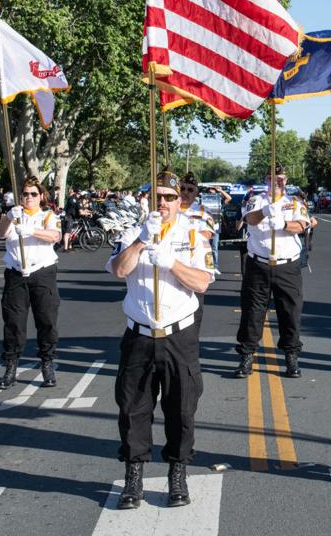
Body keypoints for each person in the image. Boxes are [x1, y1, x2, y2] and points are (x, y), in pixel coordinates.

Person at [107, 170, 214, 509]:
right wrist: (141, 242)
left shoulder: (194, 234)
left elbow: (202, 282)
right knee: (132, 409)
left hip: (177, 335)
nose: (163, 203)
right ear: (146, 199)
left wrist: (170, 262)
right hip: (139, 335)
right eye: (157, 197)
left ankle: (177, 474)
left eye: (169, 196)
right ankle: (134, 476)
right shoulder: (130, 233)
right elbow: (119, 270)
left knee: (181, 409)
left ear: (179, 200)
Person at [234, 165, 310, 379]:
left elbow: (302, 226)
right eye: (271, 178)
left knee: (291, 312)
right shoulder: (256, 200)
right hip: (259, 265)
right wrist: (266, 211)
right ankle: (247, 355)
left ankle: (291, 355)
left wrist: (284, 223)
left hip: (288, 265)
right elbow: (250, 219)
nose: (276, 182)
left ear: (286, 180)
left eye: (280, 178)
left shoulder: (295, 201)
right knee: (252, 312)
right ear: (266, 179)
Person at [0, 176, 63, 390]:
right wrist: (8, 217)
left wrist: (31, 231)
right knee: (14, 322)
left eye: (33, 194)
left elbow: (55, 236)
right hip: (16, 274)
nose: (29, 197)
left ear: (41, 196)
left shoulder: (48, 215)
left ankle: (47, 363)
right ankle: (11, 366)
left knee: (47, 321)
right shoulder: (14, 215)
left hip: (42, 273)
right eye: (25, 194)